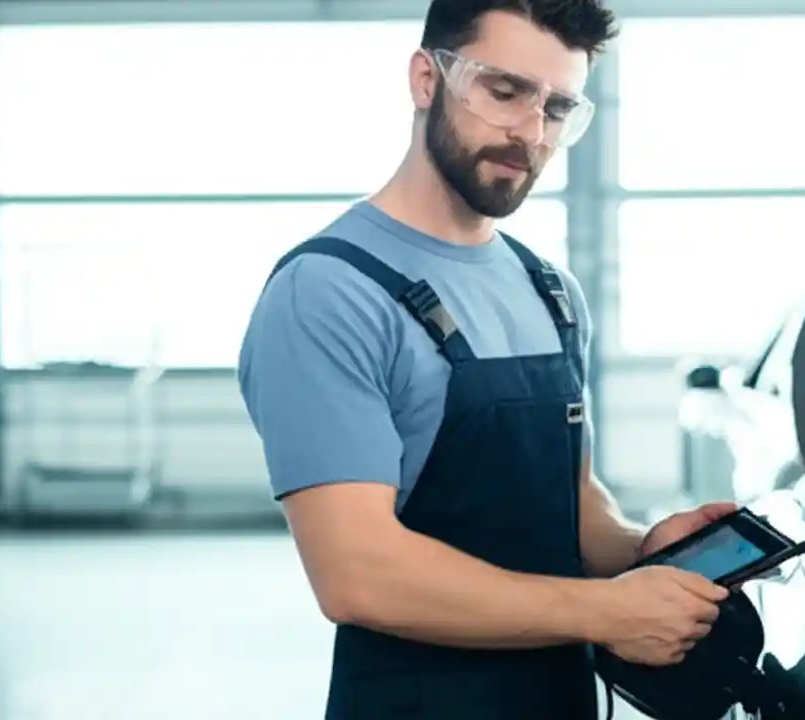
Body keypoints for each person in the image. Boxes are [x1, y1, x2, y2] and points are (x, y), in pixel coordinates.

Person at [238, 1, 735, 717]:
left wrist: (643, 552)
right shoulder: (326, 293)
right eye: (504, 91)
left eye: (558, 107)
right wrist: (605, 613)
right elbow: (357, 573)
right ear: (424, 79)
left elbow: (572, 499)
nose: (530, 132)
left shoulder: (551, 291)